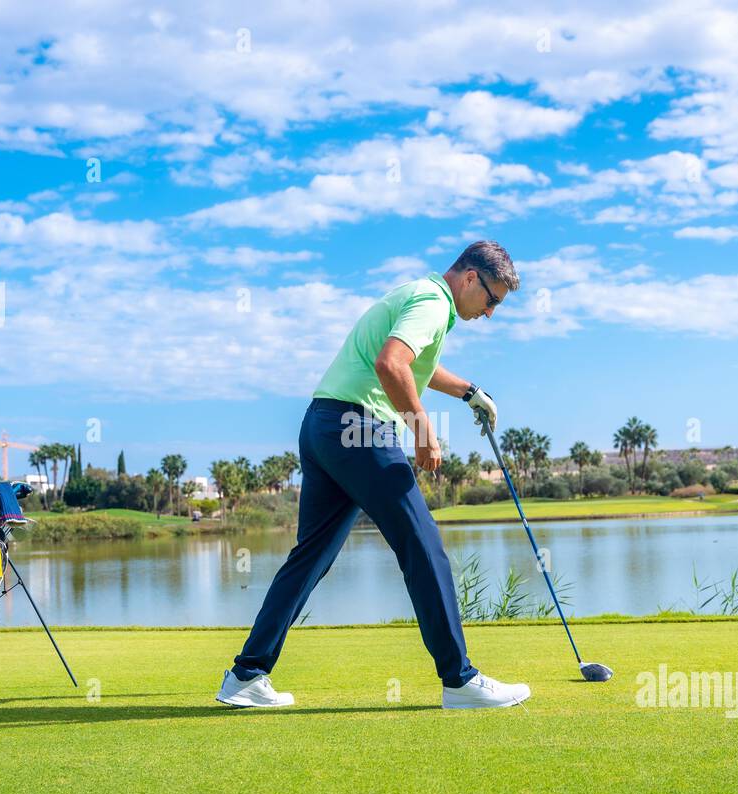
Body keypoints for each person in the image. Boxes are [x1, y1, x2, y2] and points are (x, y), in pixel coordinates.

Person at [216, 240, 531, 710]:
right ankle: (459, 680)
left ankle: (246, 675)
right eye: (491, 301)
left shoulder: (418, 295)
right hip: (358, 428)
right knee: (422, 544)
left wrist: (469, 392)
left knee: (312, 556)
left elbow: (417, 364)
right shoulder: (432, 302)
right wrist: (423, 428)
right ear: (470, 278)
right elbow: (391, 364)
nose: (489, 313)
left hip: (322, 424)